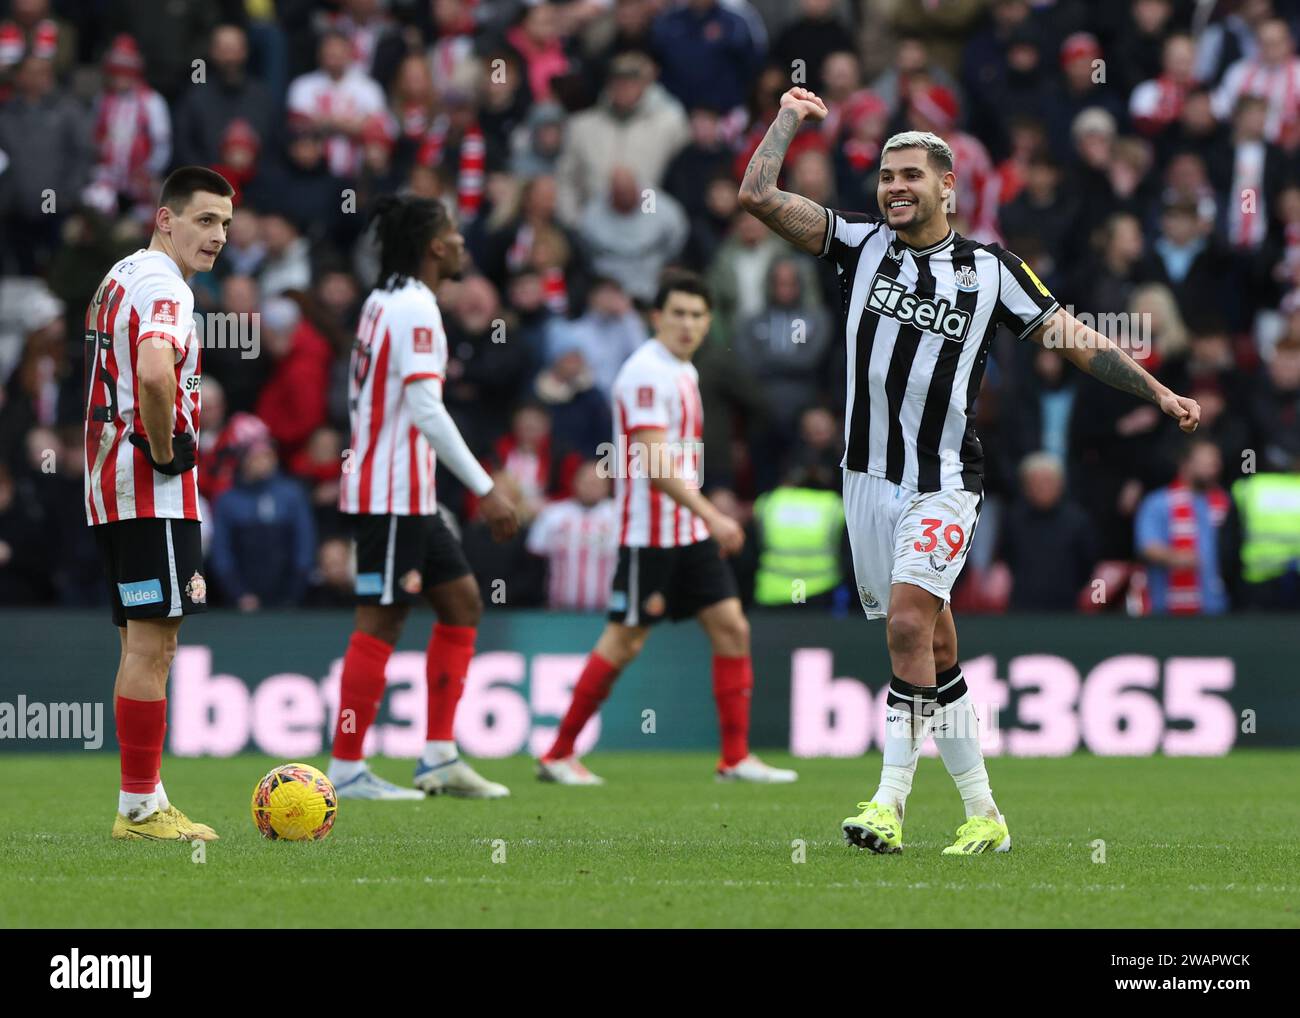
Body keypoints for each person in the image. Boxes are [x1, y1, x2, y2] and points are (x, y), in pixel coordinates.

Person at [739, 88, 1201, 855]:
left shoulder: (991, 271)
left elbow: (1077, 340)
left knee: (910, 626)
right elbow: (756, 194)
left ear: (947, 187)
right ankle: (985, 814)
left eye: (911, 175)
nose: (895, 187)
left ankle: (887, 802)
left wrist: (1155, 389)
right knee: (937, 651)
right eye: (887, 175)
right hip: (864, 481)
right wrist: (789, 115)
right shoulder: (858, 244)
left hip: (944, 480)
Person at [536, 271, 797, 786]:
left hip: (688, 534)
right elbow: (657, 467)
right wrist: (715, 515)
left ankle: (735, 759)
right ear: (656, 317)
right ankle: (558, 753)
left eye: (698, 315)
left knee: (731, 630)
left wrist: (701, 519)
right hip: (650, 537)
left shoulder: (683, 369)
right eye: (677, 312)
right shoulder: (645, 374)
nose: (688, 323)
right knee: (623, 642)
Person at [328, 195, 520, 801]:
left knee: (462, 603)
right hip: (390, 492)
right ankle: (347, 768)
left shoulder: (383, 299)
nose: (465, 243)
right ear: (435, 247)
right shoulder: (415, 307)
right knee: (380, 621)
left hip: (408, 492)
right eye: (456, 235)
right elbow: (426, 409)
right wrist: (486, 490)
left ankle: (438, 756)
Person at [84, 166, 234, 841]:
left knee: (139, 644)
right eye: (205, 219)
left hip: (109, 487)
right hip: (151, 490)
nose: (219, 236)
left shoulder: (120, 276)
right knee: (155, 647)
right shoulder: (164, 285)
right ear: (165, 218)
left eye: (226, 224)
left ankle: (142, 799)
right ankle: (141, 806)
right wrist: (166, 443)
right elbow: (151, 369)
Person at [1135, 439, 1229, 615]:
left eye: (1215, 464)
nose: (1212, 469)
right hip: (1169, 609)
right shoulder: (1159, 503)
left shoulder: (1225, 502)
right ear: (1185, 464)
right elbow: (1147, 547)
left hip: (1218, 607)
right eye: (1205, 463)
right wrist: (1175, 557)